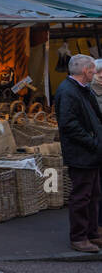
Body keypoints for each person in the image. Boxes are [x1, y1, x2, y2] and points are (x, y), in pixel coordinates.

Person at [54, 54, 102, 253]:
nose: (95, 74)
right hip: (81, 153)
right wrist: (92, 142)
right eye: (93, 70)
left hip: (90, 152)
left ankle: (91, 232)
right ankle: (79, 237)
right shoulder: (69, 91)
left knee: (93, 194)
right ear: (85, 71)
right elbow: (68, 124)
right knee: (82, 195)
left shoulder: (81, 89)